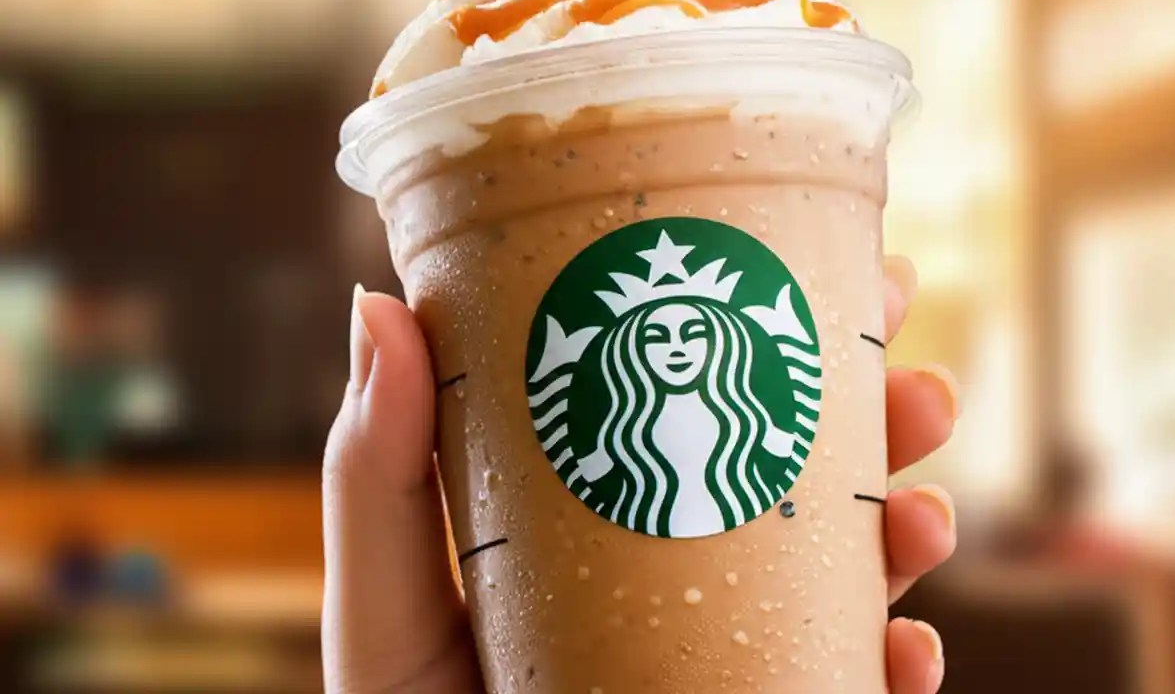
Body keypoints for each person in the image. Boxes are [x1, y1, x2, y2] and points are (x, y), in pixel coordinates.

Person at [321, 256, 959, 694]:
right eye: (657, 335)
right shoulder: (613, 447)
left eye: (695, 333)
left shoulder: (749, 434)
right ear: (628, 351)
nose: (678, 349)